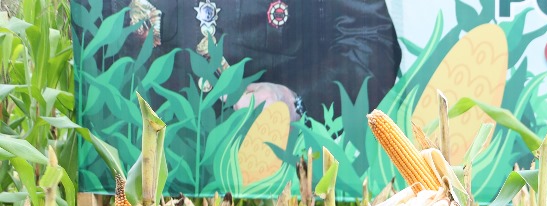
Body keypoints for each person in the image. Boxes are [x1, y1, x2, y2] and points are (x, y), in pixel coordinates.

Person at [99, 0, 401, 118]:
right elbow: (92, 35)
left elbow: (372, 43)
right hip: (144, 187)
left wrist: (296, 100)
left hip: (272, 192)